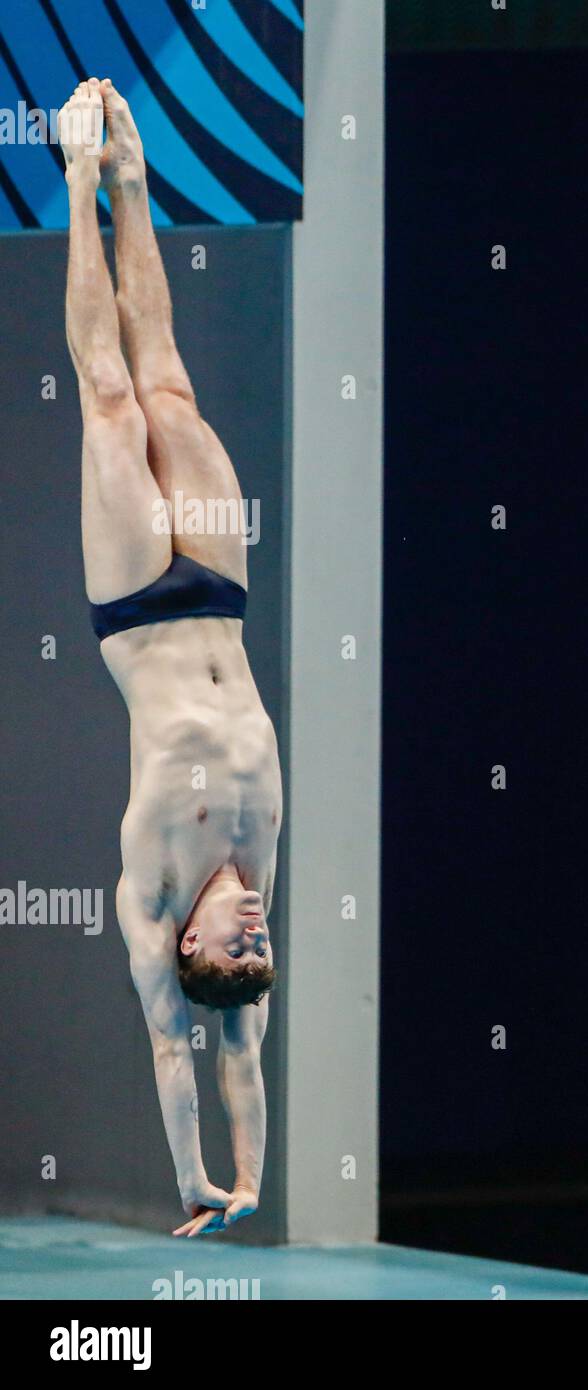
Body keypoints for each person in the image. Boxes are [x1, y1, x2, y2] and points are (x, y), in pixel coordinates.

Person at [61, 77, 281, 1237]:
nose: (258, 926)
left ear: (190, 942)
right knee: (172, 385)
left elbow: (181, 1047)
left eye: (238, 942)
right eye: (264, 940)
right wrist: (255, 1180)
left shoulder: (152, 892)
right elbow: (247, 1050)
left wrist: (197, 1178)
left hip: (138, 610)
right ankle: (137, 186)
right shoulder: (256, 872)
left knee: (110, 399)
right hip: (224, 591)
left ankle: (76, 179)